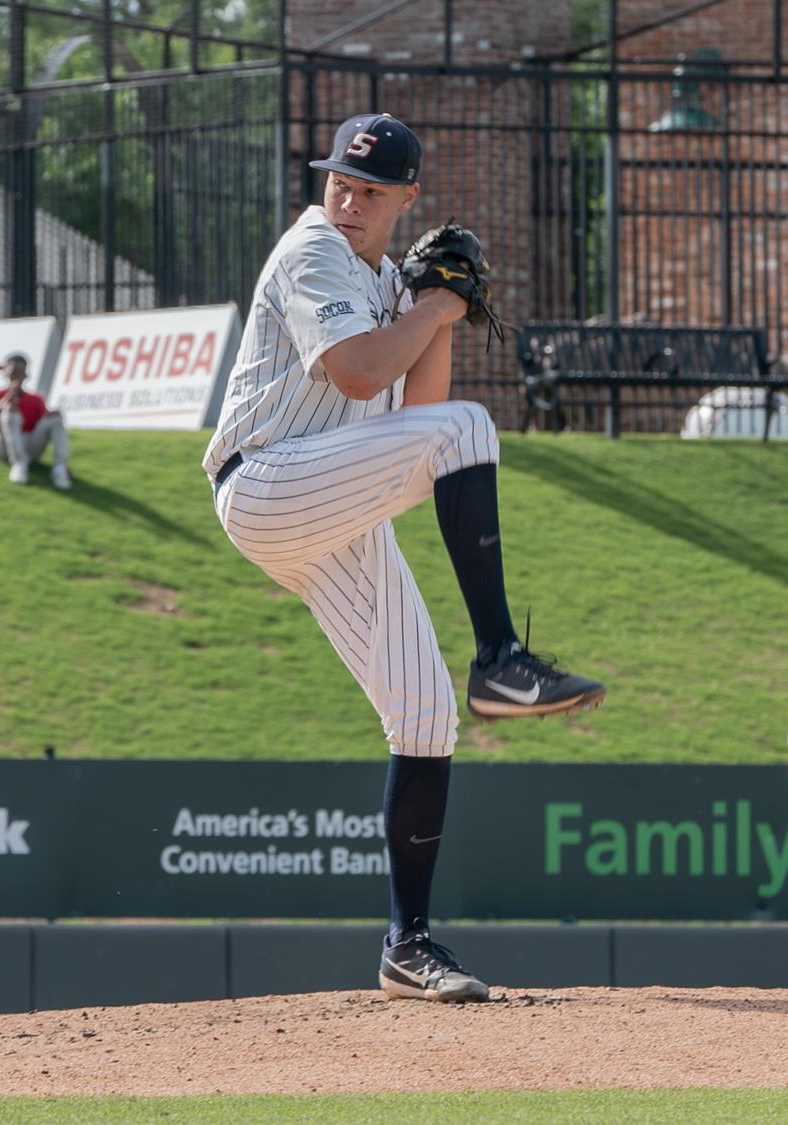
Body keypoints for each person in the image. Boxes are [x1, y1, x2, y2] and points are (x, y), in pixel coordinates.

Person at [202, 112, 606, 1004]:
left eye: (370, 190)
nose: (347, 199)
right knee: (469, 429)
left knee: (424, 711)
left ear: (406, 198)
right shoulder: (313, 250)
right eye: (339, 180)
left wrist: (444, 310)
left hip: (331, 508)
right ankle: (501, 657)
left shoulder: (386, 281)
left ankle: (406, 943)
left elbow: (414, 415)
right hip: (266, 483)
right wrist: (435, 302)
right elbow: (354, 376)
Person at [0, 352, 71, 489]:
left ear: (26, 375)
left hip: (29, 445)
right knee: (10, 410)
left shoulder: (35, 399)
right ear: (5, 373)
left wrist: (54, 415)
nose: (17, 376)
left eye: (20, 372)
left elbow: (45, 422)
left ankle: (60, 468)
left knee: (55, 418)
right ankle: (18, 464)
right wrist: (8, 398)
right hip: (4, 445)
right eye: (14, 372)